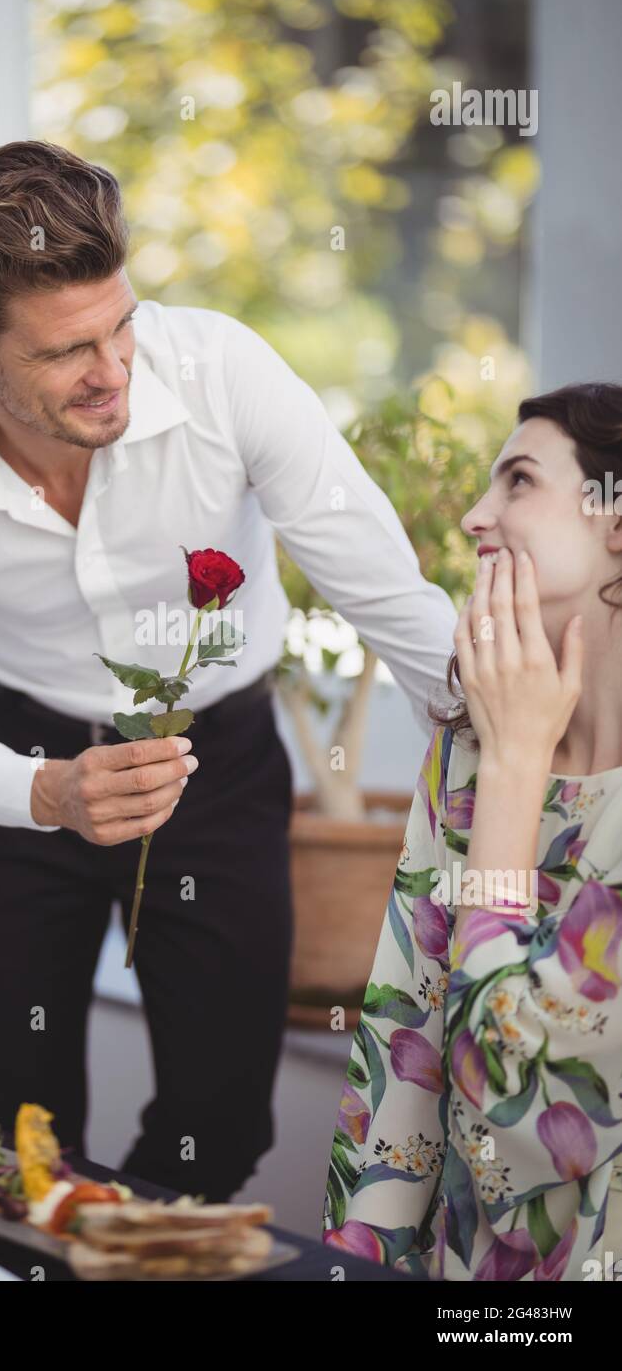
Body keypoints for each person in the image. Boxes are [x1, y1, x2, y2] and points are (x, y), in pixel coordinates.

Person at [0, 139, 457, 1202]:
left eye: (122, 322)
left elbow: (387, 596)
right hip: (11, 757)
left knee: (219, 1117)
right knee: (12, 1124)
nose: (114, 367)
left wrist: (543, 753)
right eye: (67, 349)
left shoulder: (225, 372)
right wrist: (45, 791)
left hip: (214, 757)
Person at [323, 382, 622, 1280]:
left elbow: (521, 1115)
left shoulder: (499, 753)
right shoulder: (467, 746)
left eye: (519, 481)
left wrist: (517, 770)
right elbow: (399, 1050)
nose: (473, 515)